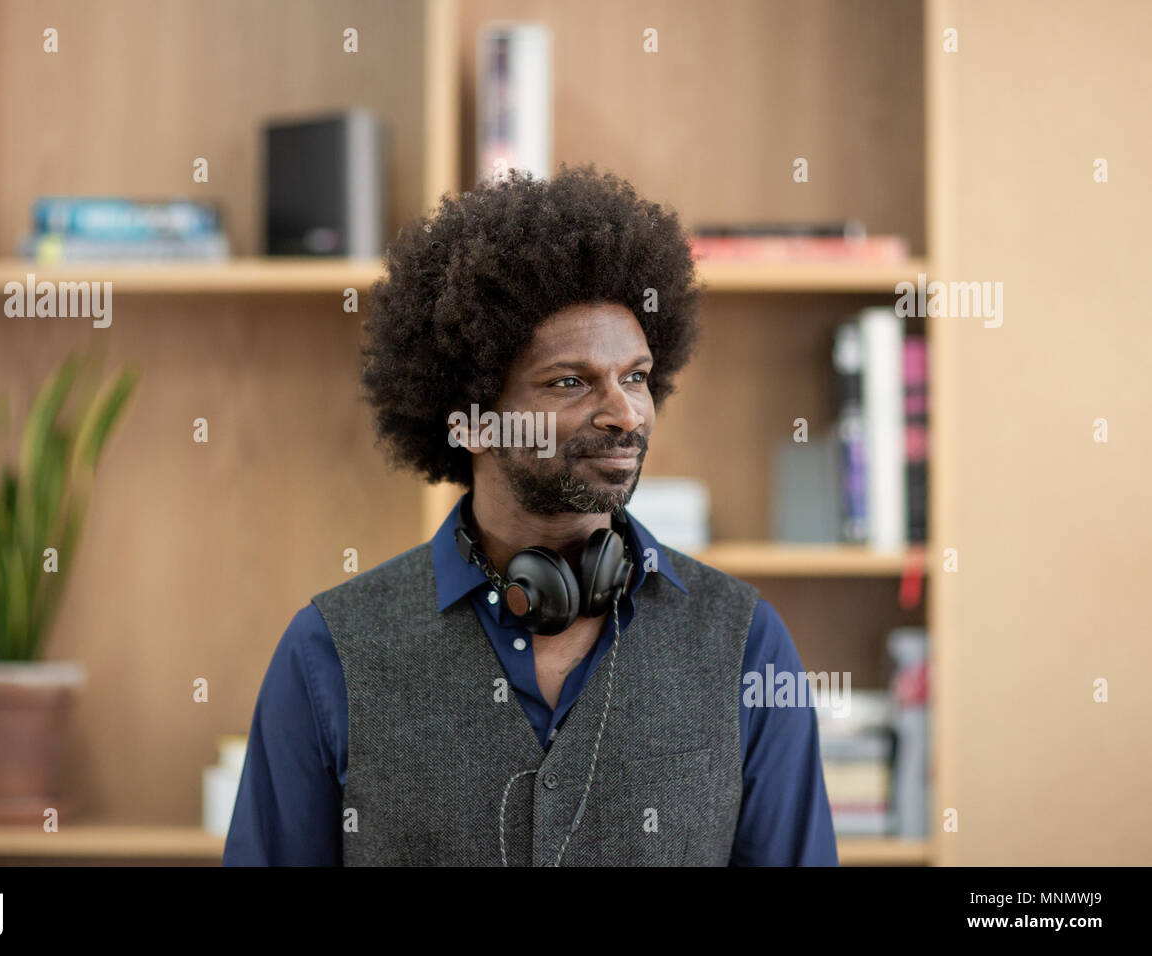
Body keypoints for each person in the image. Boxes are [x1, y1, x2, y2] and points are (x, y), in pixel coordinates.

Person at [224, 164, 837, 866]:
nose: (623, 414)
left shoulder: (746, 645)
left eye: (635, 377)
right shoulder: (326, 654)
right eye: (570, 382)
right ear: (473, 421)